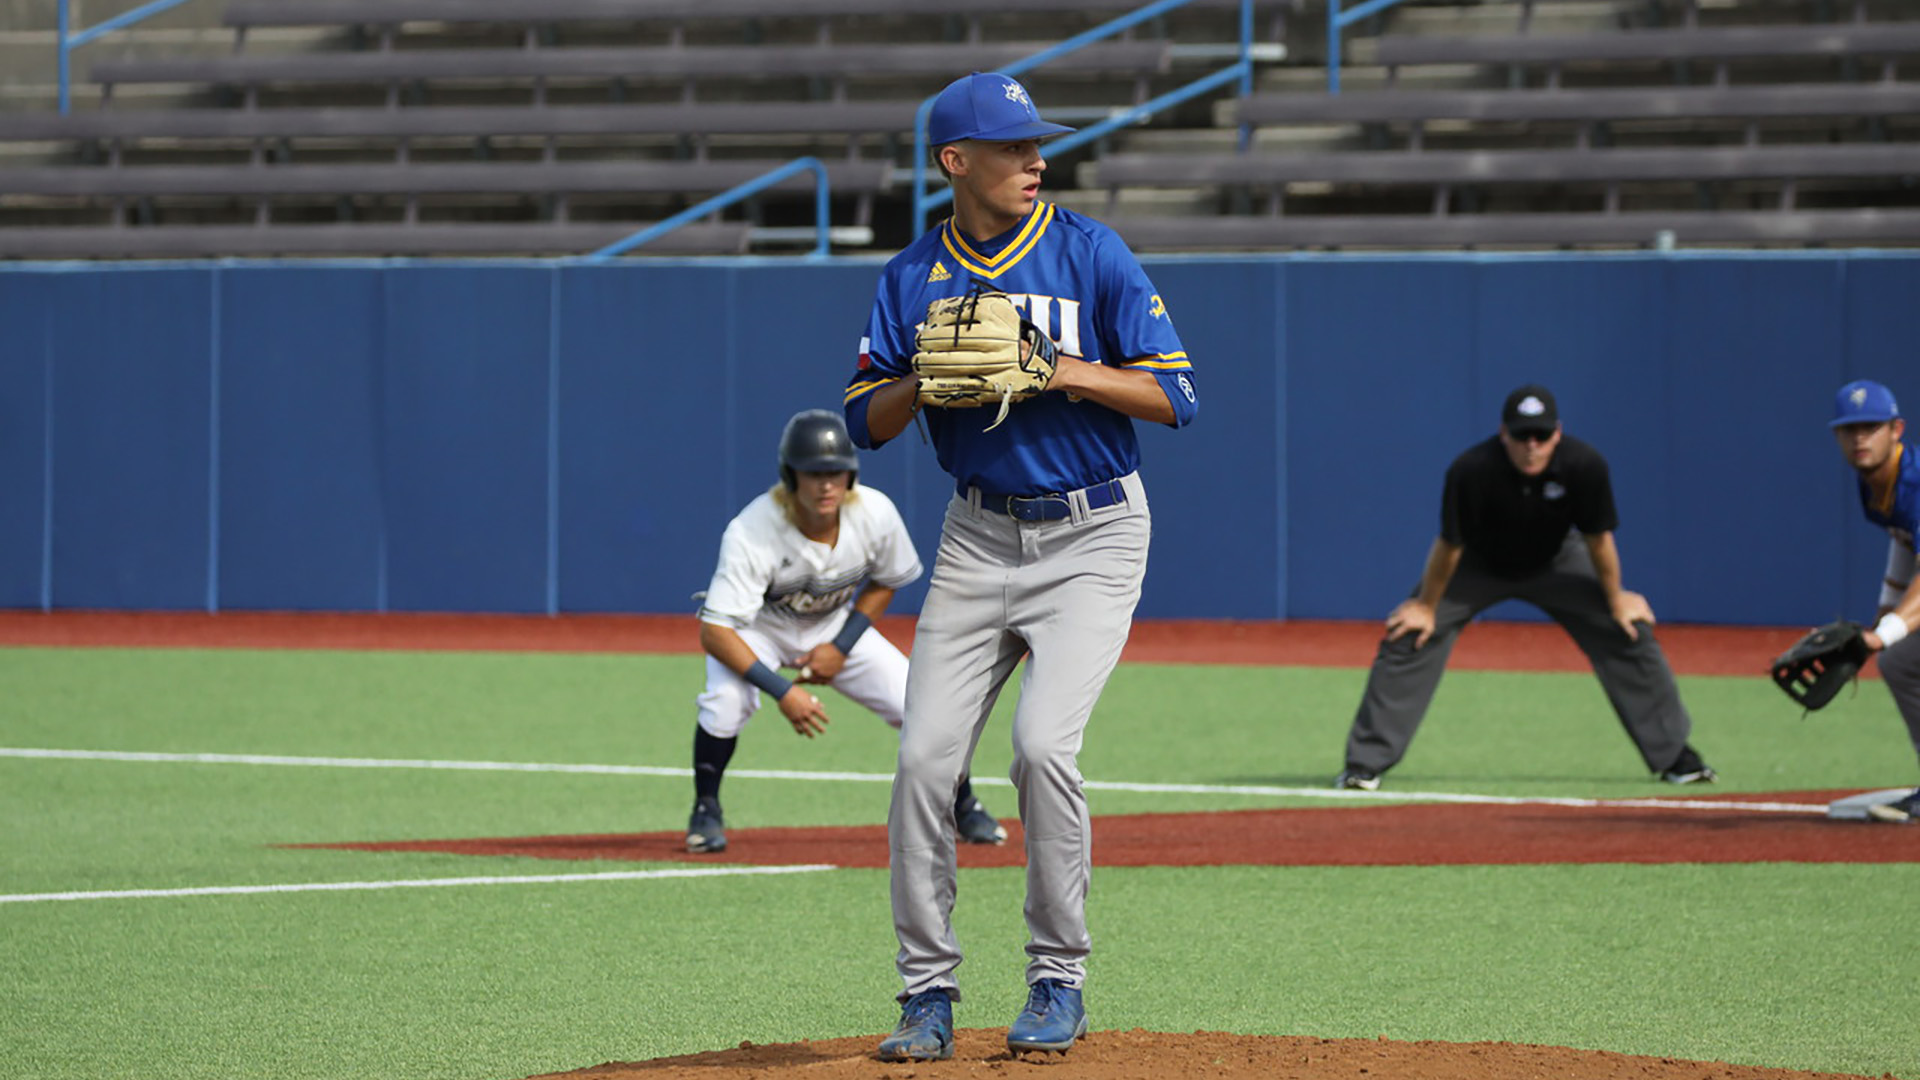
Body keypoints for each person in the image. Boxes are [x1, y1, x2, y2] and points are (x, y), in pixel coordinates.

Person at [844, 72, 1198, 1062]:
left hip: (1093, 536)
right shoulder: (914, 273)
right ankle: (927, 995)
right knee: (923, 763)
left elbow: (1177, 397)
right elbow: (860, 421)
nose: (1036, 158)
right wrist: (922, 378)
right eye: (1010, 146)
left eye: (1039, 143)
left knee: (1043, 749)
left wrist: (1057, 368)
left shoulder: (1091, 252)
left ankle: (1057, 980)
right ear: (955, 162)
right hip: (976, 536)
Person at [1335, 384, 1714, 791]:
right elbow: (1450, 544)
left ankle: (1676, 757)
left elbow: (1598, 539)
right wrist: (1426, 605)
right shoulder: (1472, 470)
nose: (1531, 446)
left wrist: (1616, 597)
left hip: (1556, 561)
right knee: (1410, 632)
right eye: (1521, 436)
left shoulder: (1584, 465)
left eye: (1542, 435)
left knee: (1627, 629)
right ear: (1503, 434)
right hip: (1477, 562)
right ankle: (1365, 764)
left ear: (1558, 433)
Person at [687, 409, 1007, 854]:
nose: (826, 484)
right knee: (725, 703)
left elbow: (887, 580)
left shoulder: (873, 512)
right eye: (813, 473)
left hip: (834, 624)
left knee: (920, 702)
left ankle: (963, 802)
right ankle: (706, 809)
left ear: (850, 475)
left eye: (836, 472)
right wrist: (785, 691)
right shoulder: (752, 530)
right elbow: (715, 631)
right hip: (758, 630)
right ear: (791, 475)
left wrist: (840, 646)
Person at [1826, 379, 1920, 824]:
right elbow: (1904, 542)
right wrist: (1885, 610)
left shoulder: (1916, 482)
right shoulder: (1872, 483)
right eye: (1850, 429)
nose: (1860, 438)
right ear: (1837, 437)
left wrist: (1884, 633)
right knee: (1900, 662)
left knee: (1895, 650)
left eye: (1871, 426)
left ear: (1896, 429)